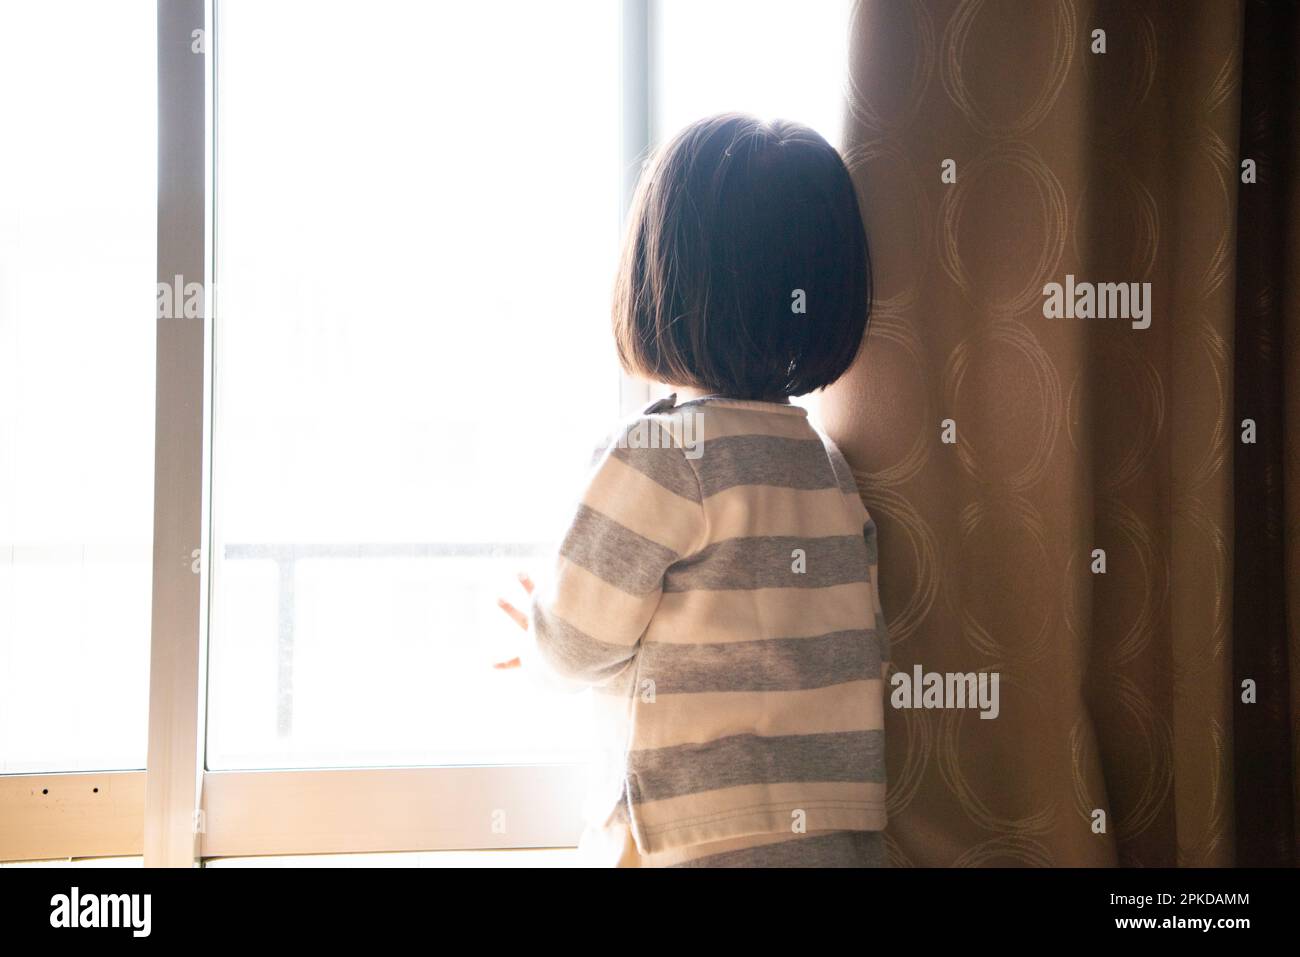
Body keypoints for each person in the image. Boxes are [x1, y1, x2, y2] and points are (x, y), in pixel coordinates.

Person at [496, 113, 887, 867]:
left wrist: (537, 646)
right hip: (835, 840)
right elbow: (868, 645)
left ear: (658, 280)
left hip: (690, 835)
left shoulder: (660, 455)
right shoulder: (828, 470)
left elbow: (577, 642)